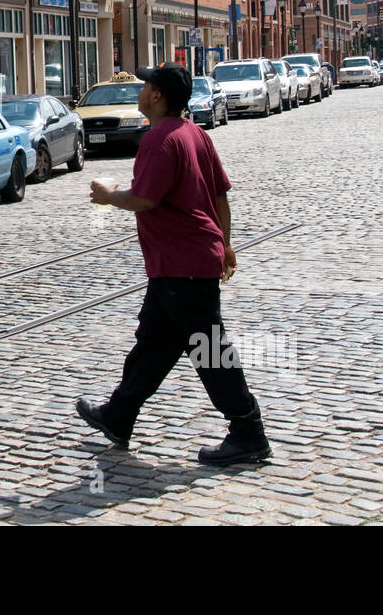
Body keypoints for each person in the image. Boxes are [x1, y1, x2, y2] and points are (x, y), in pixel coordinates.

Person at [76, 63, 271, 465]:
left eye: (145, 84)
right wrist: (226, 244)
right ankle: (119, 414)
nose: (140, 89)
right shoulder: (195, 133)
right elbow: (220, 195)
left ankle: (248, 430)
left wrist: (108, 195)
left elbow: (145, 199)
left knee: (209, 350)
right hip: (181, 262)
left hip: (182, 264)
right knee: (154, 343)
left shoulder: (158, 140)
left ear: (158, 96)